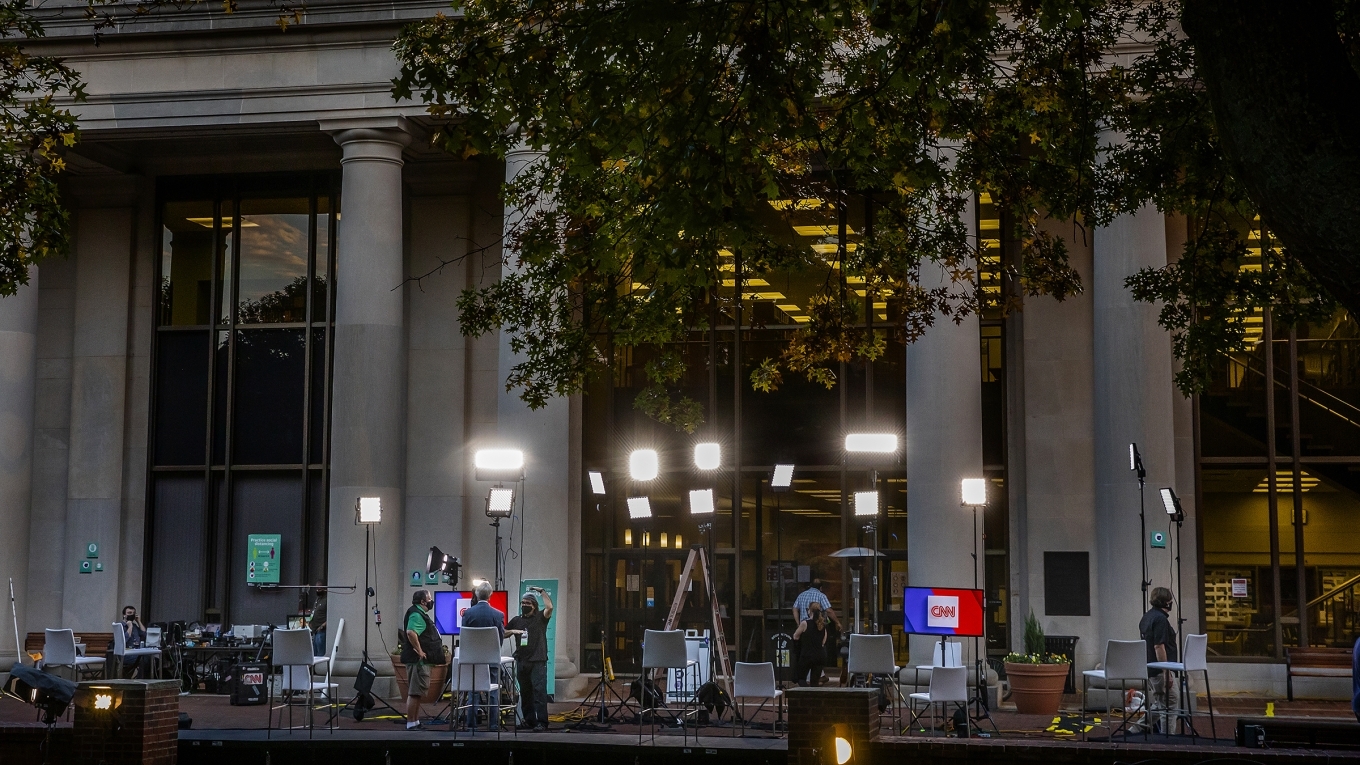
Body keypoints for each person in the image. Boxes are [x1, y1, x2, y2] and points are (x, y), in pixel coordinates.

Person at [506, 586, 553, 731]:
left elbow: (549, 607)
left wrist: (542, 591)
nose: (524, 605)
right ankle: (529, 720)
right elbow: (502, 633)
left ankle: (542, 722)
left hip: (537, 660)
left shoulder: (540, 618)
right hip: (522, 660)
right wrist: (512, 631)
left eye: (527, 603)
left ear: (534, 605)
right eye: (522, 603)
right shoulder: (516, 620)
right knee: (525, 693)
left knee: (539, 692)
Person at [401, 589, 445, 730]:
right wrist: (420, 651)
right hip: (417, 662)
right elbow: (411, 632)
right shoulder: (416, 614)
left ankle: (415, 721)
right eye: (429, 598)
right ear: (422, 602)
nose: (431, 601)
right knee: (414, 693)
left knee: (417, 693)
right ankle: (411, 723)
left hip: (419, 661)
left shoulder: (418, 613)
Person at [1139, 586, 1179, 732]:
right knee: (1170, 703)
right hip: (1160, 670)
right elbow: (1159, 646)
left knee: (1160, 703)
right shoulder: (1160, 619)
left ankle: (1135, 730)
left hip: (1151, 668)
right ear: (1166, 602)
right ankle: (1167, 740)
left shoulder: (1147, 616)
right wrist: (1167, 671)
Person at [792, 602, 829, 687]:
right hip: (820, 656)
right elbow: (823, 641)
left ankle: (806, 693)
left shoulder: (805, 623)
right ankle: (813, 697)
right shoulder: (823, 625)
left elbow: (795, 636)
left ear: (810, 611)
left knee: (801, 678)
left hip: (807, 655)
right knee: (815, 681)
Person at [120, 605, 151, 678]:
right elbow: (123, 640)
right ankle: (140, 680)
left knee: (151, 659)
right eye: (129, 613)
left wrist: (138, 621)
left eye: (133, 613)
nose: (131, 615)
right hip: (126, 655)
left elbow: (144, 634)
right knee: (145, 660)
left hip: (137, 652)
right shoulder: (120, 626)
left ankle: (145, 679)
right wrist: (129, 627)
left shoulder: (135, 626)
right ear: (124, 615)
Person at [308, 582, 327, 657]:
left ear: (324, 588)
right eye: (316, 588)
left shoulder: (327, 600)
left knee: (320, 654)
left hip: (321, 630)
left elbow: (330, 616)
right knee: (314, 654)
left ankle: (320, 669)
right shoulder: (318, 599)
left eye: (319, 588)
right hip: (314, 631)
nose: (317, 590)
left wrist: (322, 626)